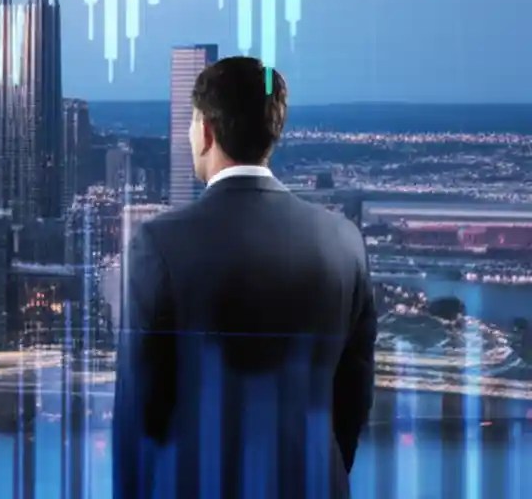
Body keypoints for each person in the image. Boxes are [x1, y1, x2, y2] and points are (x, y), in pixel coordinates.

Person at [111, 56, 377, 498]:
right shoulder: (344, 243)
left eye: (192, 123)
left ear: (207, 132)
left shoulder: (159, 244)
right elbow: (353, 401)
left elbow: (140, 410)